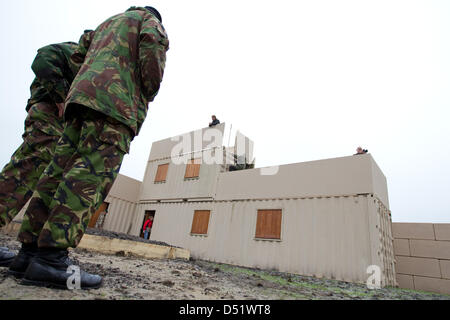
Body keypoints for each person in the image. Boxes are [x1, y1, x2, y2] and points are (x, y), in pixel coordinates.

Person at [10, 6, 169, 290]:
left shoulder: (105, 23)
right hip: (114, 106)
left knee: (57, 172)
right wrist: (148, 90)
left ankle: (29, 253)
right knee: (88, 178)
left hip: (78, 102)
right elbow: (151, 62)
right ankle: (51, 259)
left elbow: (78, 56)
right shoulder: (149, 21)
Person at [0, 34, 94, 269]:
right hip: (48, 112)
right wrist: (61, 96)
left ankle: (32, 252)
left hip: (59, 122)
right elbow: (42, 58)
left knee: (42, 173)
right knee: (28, 168)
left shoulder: (94, 65)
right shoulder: (75, 52)